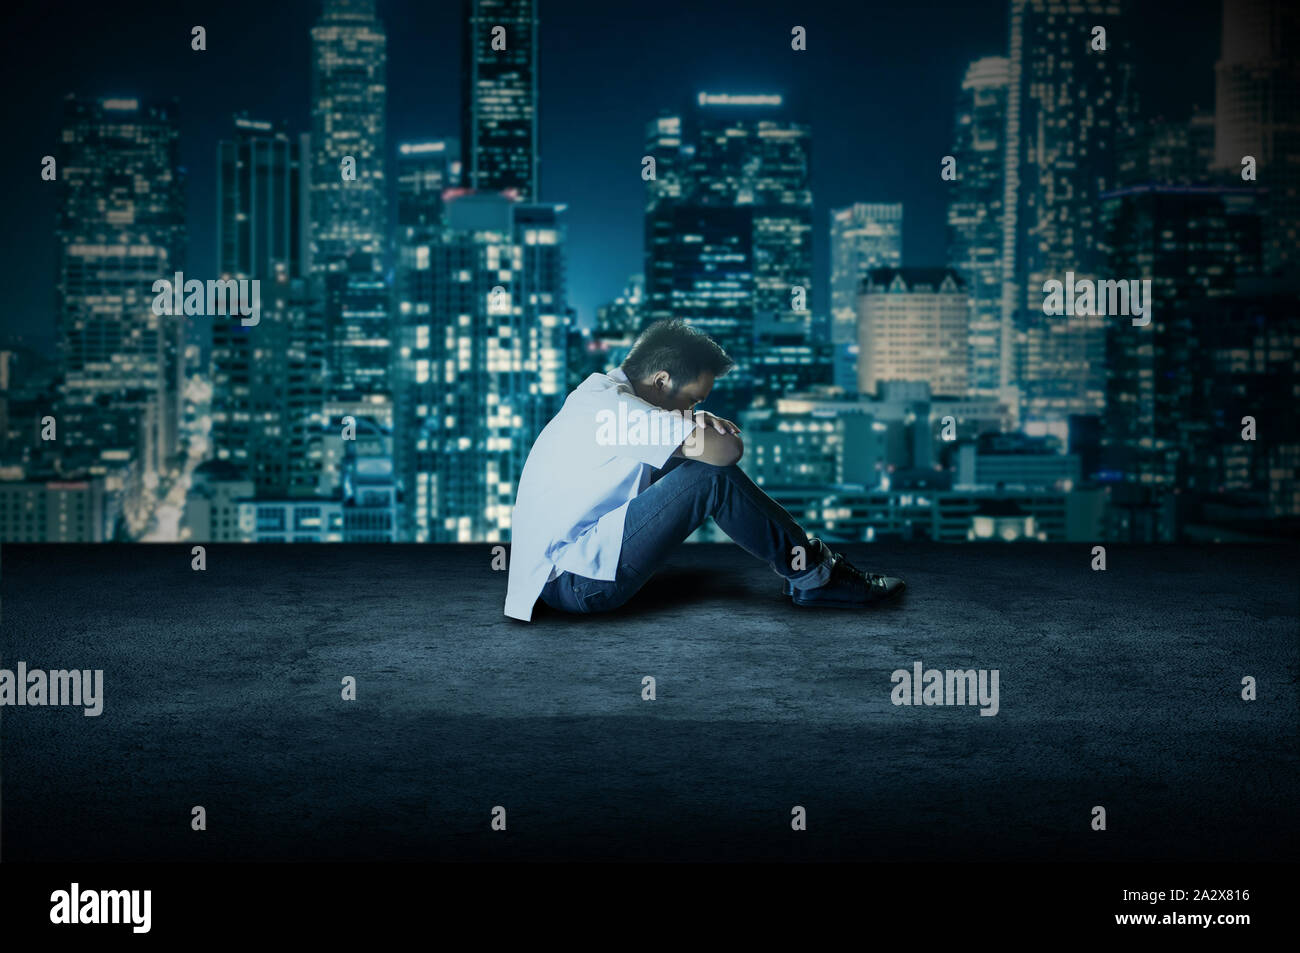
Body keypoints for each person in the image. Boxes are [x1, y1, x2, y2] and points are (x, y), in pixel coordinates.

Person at [504, 319, 905, 621]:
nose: (693, 411)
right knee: (709, 475)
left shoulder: (603, 397)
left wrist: (687, 421)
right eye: (693, 400)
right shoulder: (619, 411)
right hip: (576, 583)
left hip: (554, 578)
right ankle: (815, 577)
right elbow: (726, 452)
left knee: (688, 463)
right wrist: (697, 426)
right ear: (661, 380)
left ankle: (810, 569)